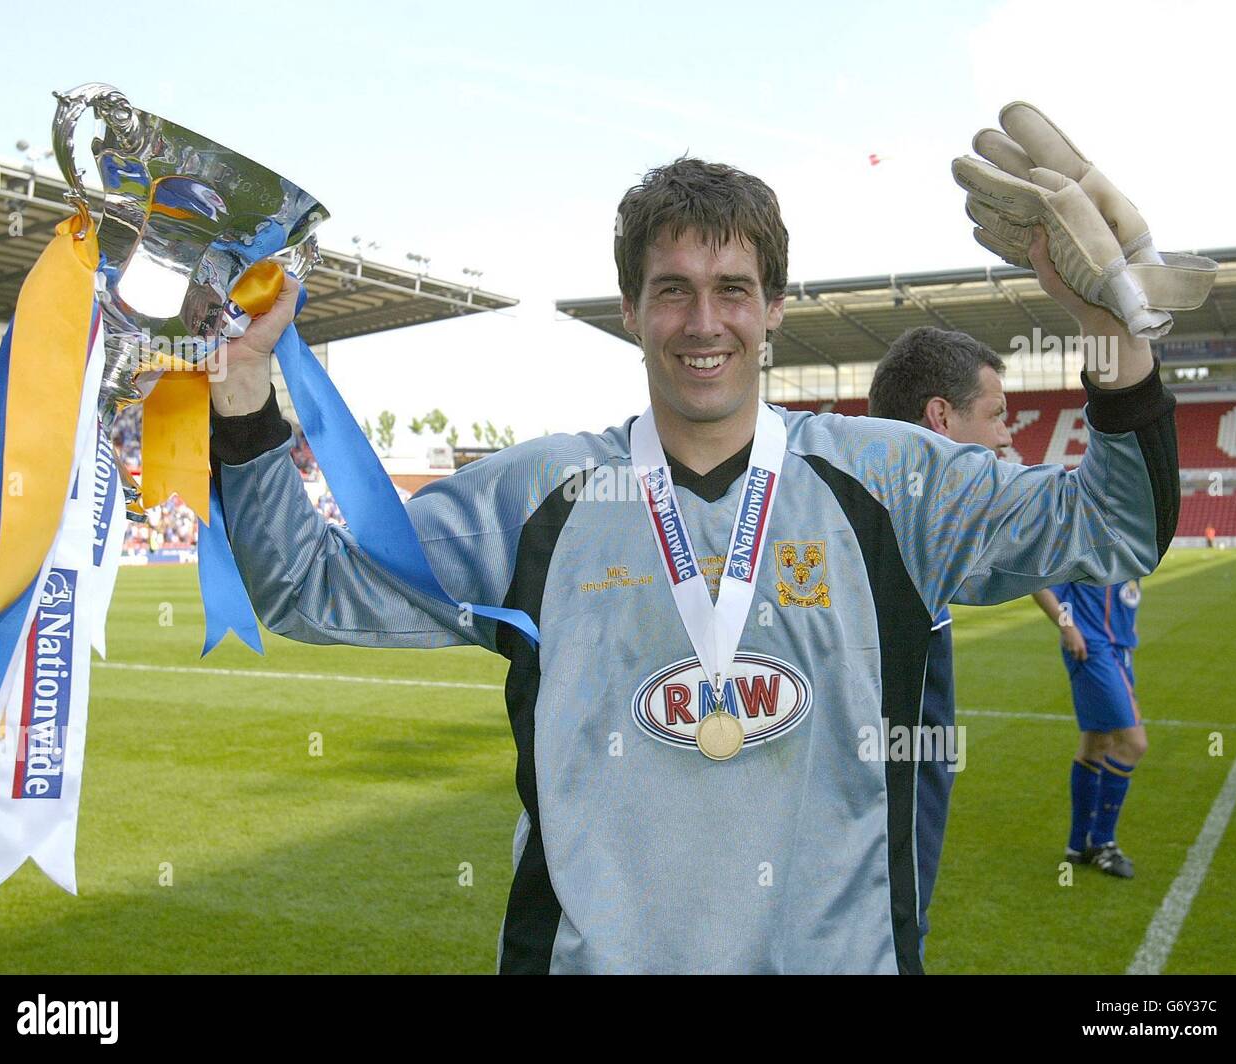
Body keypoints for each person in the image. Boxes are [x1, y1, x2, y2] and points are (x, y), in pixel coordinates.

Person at [207, 157, 1178, 974]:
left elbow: (1113, 530)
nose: (702, 320)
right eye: (672, 289)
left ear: (775, 309)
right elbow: (310, 587)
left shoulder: (893, 481)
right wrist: (246, 388)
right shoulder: (540, 493)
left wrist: (1112, 334)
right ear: (631, 308)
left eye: (732, 290)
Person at [866, 327, 1012, 950]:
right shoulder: (905, 557)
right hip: (874, 916)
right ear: (941, 418)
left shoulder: (844, 520)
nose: (1007, 435)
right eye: (996, 415)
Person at [1032, 581, 1145, 878]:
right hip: (1093, 646)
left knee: (1097, 743)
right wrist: (1068, 627)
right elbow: (1038, 582)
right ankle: (1103, 842)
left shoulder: (1126, 539)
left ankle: (1078, 843)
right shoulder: (1083, 535)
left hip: (1118, 647)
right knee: (1133, 744)